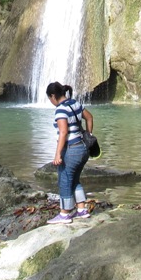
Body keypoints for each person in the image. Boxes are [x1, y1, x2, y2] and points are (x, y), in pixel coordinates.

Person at [45, 81, 93, 224]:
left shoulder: (60, 110)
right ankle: (81, 209)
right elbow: (90, 118)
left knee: (65, 179)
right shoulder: (75, 103)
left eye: (50, 99)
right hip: (83, 147)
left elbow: (63, 132)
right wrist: (89, 136)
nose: (51, 102)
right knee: (75, 179)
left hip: (71, 149)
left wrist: (58, 154)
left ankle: (65, 214)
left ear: (53, 96)